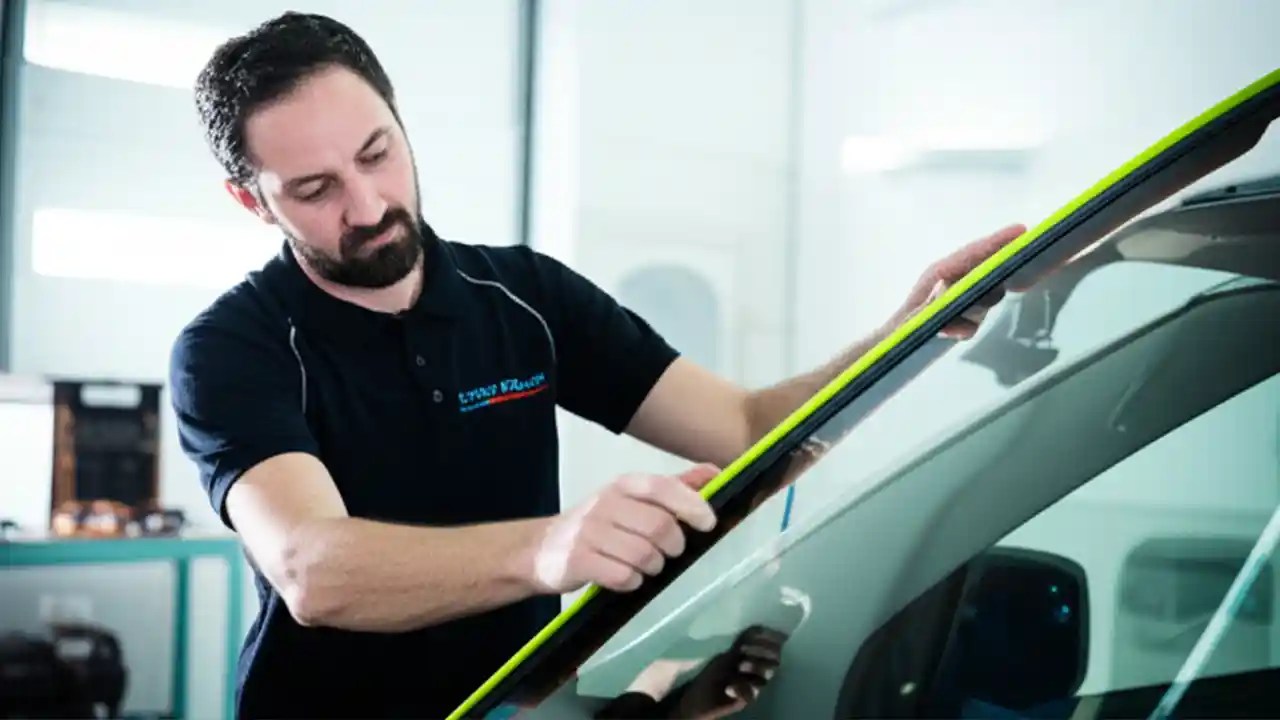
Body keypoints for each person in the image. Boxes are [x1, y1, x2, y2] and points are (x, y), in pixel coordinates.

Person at [170, 11, 1025, 719]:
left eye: (376, 154)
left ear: (401, 125)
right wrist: (552, 550)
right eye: (314, 189)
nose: (367, 205)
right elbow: (313, 569)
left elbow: (746, 429)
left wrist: (912, 334)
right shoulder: (233, 348)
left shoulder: (525, 297)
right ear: (251, 200)